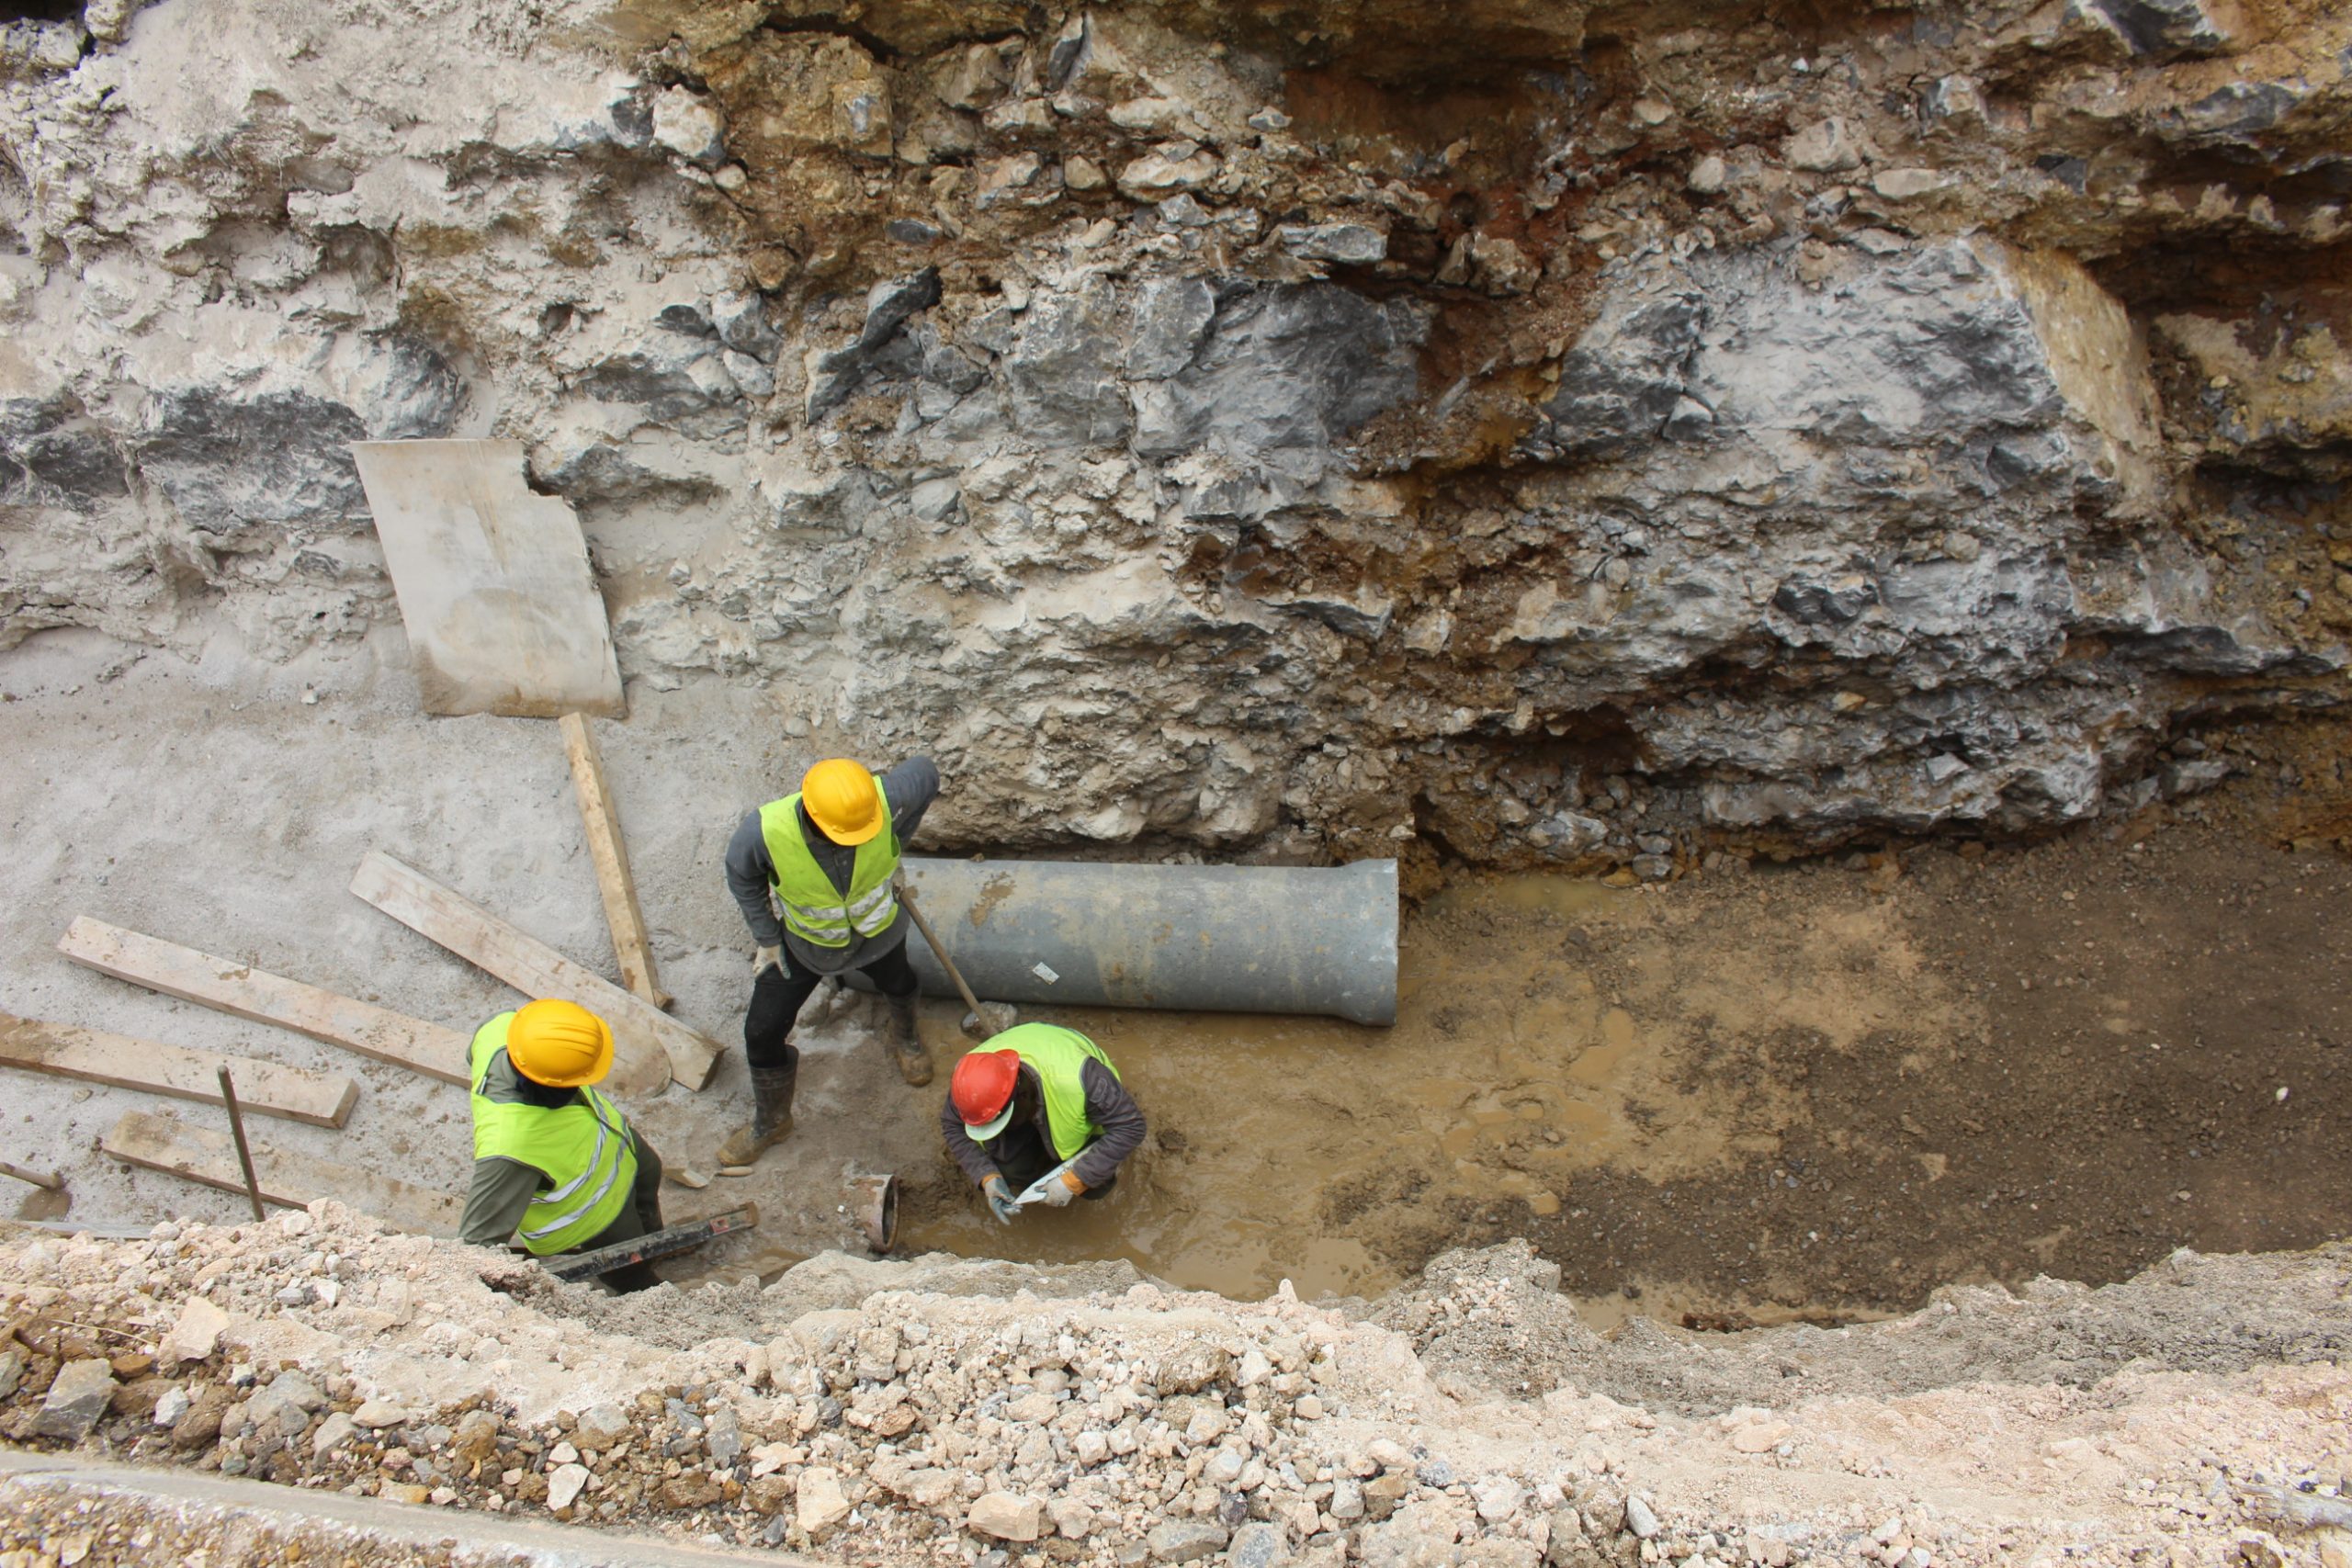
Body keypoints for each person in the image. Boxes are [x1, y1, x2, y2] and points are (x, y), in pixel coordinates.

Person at [719, 755, 941, 1167]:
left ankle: (906, 1038)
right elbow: (741, 876)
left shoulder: (884, 798)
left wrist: (897, 846)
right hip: (808, 945)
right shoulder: (764, 832)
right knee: (761, 1031)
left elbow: (927, 773)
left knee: (899, 982)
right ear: (814, 816)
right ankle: (772, 1122)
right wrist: (767, 937)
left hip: (877, 932)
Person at [458, 998, 666, 1292]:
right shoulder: (512, 1146)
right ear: (553, 1082)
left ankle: (656, 1246)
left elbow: (475, 1055)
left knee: (649, 1171)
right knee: (627, 1263)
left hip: (617, 1144)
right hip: (593, 1212)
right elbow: (476, 1245)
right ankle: (647, 1292)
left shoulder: (504, 1029)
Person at [943, 1023, 1146, 1223]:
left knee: (1096, 1182)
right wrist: (986, 1175)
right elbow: (952, 1125)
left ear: (1022, 1096)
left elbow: (1130, 1126)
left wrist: (1074, 1179)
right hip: (1028, 1100)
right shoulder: (970, 1085)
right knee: (1010, 1169)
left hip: (1085, 1114)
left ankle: (1072, 1167)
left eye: (998, 1122)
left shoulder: (1080, 1079)